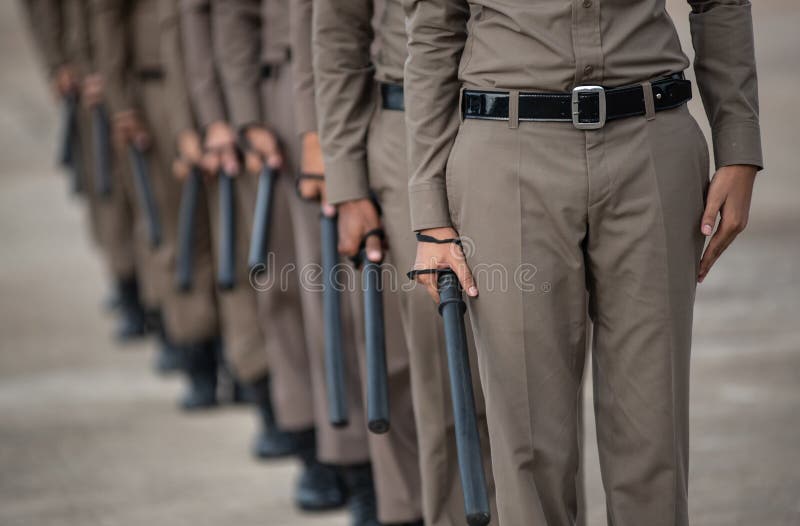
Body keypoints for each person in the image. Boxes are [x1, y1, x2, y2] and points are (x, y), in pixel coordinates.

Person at [402, 0, 762, 524]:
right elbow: (434, 29)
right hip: (508, 154)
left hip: (650, 141)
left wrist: (740, 146)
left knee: (653, 429)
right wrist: (430, 210)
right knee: (528, 440)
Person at [312, 0, 498, 524]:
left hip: (521, 121)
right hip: (404, 122)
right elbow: (338, 37)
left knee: (531, 380)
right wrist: (347, 180)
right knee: (439, 365)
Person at [92, 0, 222, 409]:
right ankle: (197, 353)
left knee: (234, 240)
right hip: (158, 88)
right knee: (179, 233)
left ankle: (246, 363)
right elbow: (107, 15)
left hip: (226, 78)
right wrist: (121, 102)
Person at [21, 0, 148, 345]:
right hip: (87, 67)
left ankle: (152, 295)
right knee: (109, 193)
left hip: (125, 63)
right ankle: (128, 284)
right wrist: (61, 63)